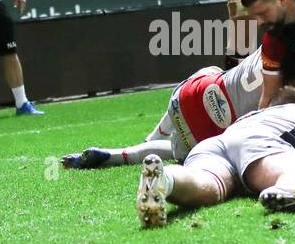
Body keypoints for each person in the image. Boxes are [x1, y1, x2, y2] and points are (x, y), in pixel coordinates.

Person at [134, 86, 295, 228]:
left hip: (212, 146)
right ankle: (286, 189)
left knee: (206, 183)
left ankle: (166, 179)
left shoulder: (251, 116)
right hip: (259, 144)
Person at [63, 50, 265, 169]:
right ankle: (125, 154)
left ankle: (150, 139)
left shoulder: (271, 39)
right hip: (203, 137)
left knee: (212, 71)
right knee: (190, 149)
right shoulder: (291, 71)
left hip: (182, 99)